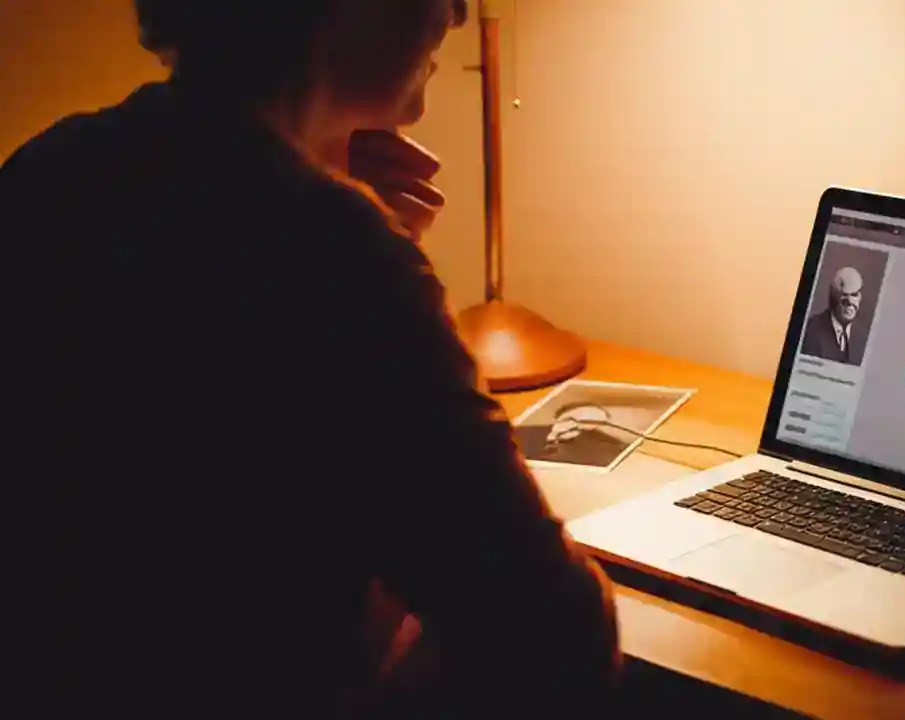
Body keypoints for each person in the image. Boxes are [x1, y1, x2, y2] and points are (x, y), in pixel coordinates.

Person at [14, 1, 618, 717]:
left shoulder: (50, 173)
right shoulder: (330, 252)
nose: (458, 11)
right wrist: (372, 254)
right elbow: (557, 634)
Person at [801, 266, 871, 365]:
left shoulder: (864, 336)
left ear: (860, 297)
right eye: (844, 296)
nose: (850, 302)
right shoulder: (810, 330)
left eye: (854, 294)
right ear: (833, 297)